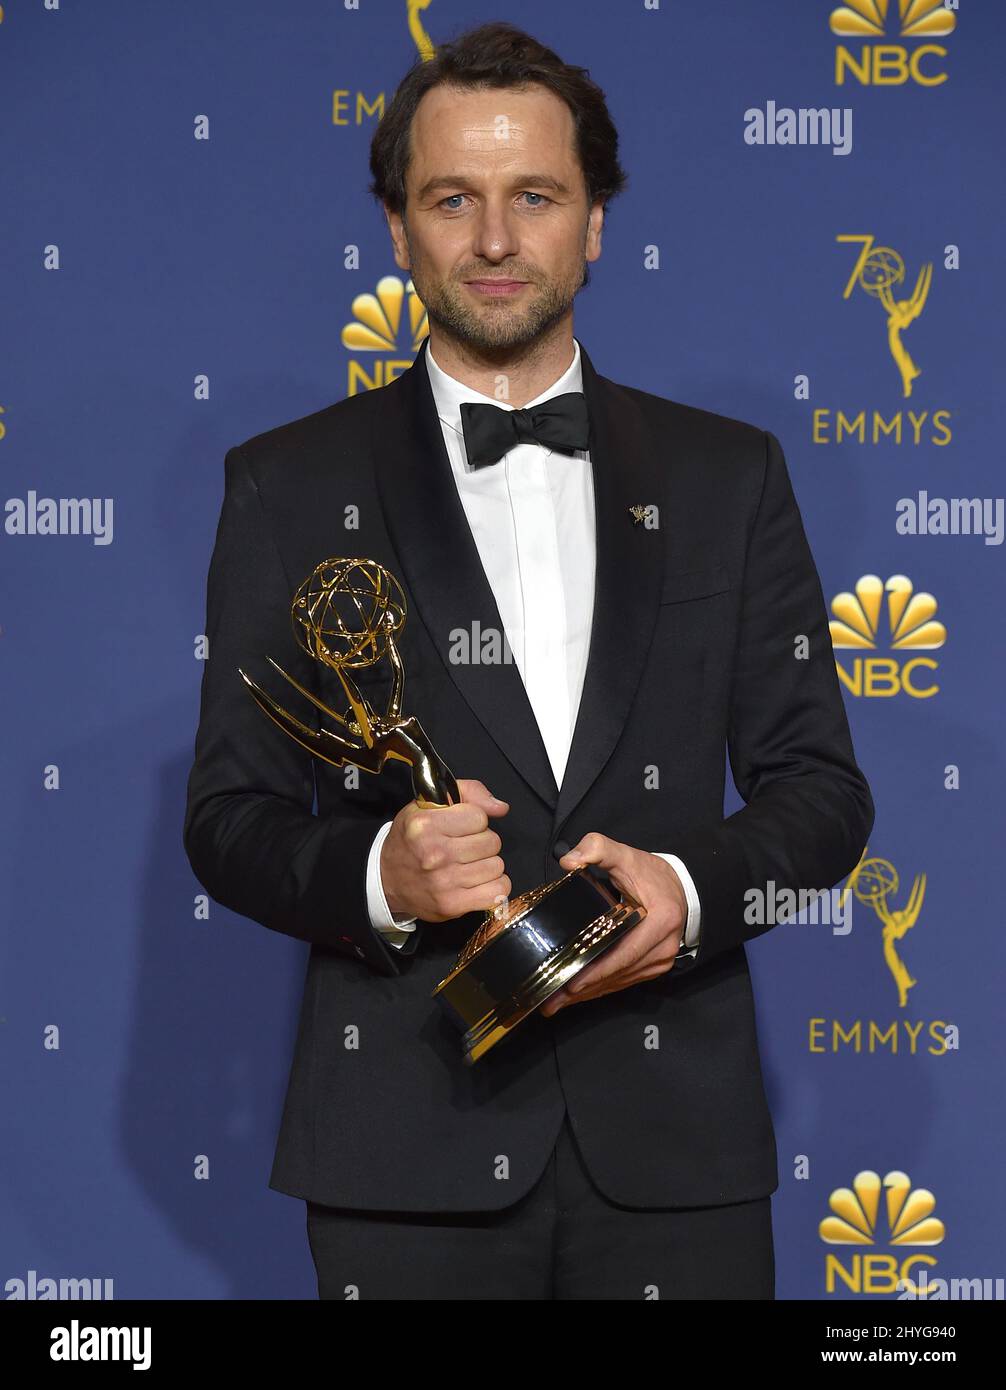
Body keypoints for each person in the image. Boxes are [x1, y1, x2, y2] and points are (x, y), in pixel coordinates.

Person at [183, 21, 873, 1300]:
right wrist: (380, 869)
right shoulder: (287, 486)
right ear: (397, 228)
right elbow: (226, 820)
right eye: (453, 199)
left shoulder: (730, 475)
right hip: (404, 1153)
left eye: (535, 197)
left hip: (680, 1157)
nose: (495, 240)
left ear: (595, 221)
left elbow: (822, 793)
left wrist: (685, 885)